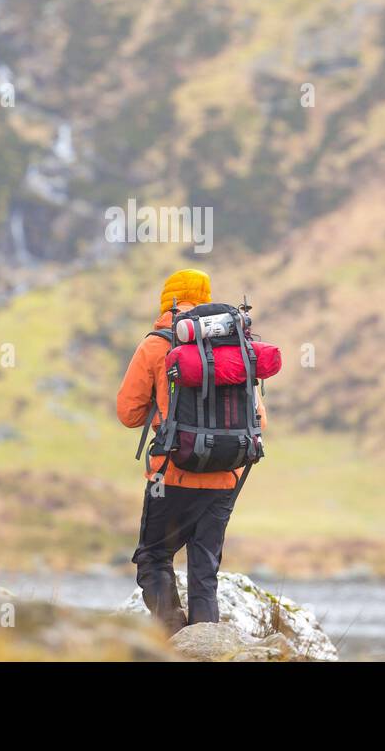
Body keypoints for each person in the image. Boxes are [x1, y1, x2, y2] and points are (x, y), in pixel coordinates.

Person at [115, 268, 266, 634]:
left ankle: (174, 644)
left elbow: (128, 413)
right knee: (205, 571)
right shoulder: (235, 345)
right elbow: (259, 416)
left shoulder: (156, 344)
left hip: (170, 474)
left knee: (153, 557)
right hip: (225, 476)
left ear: (168, 300)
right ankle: (207, 649)